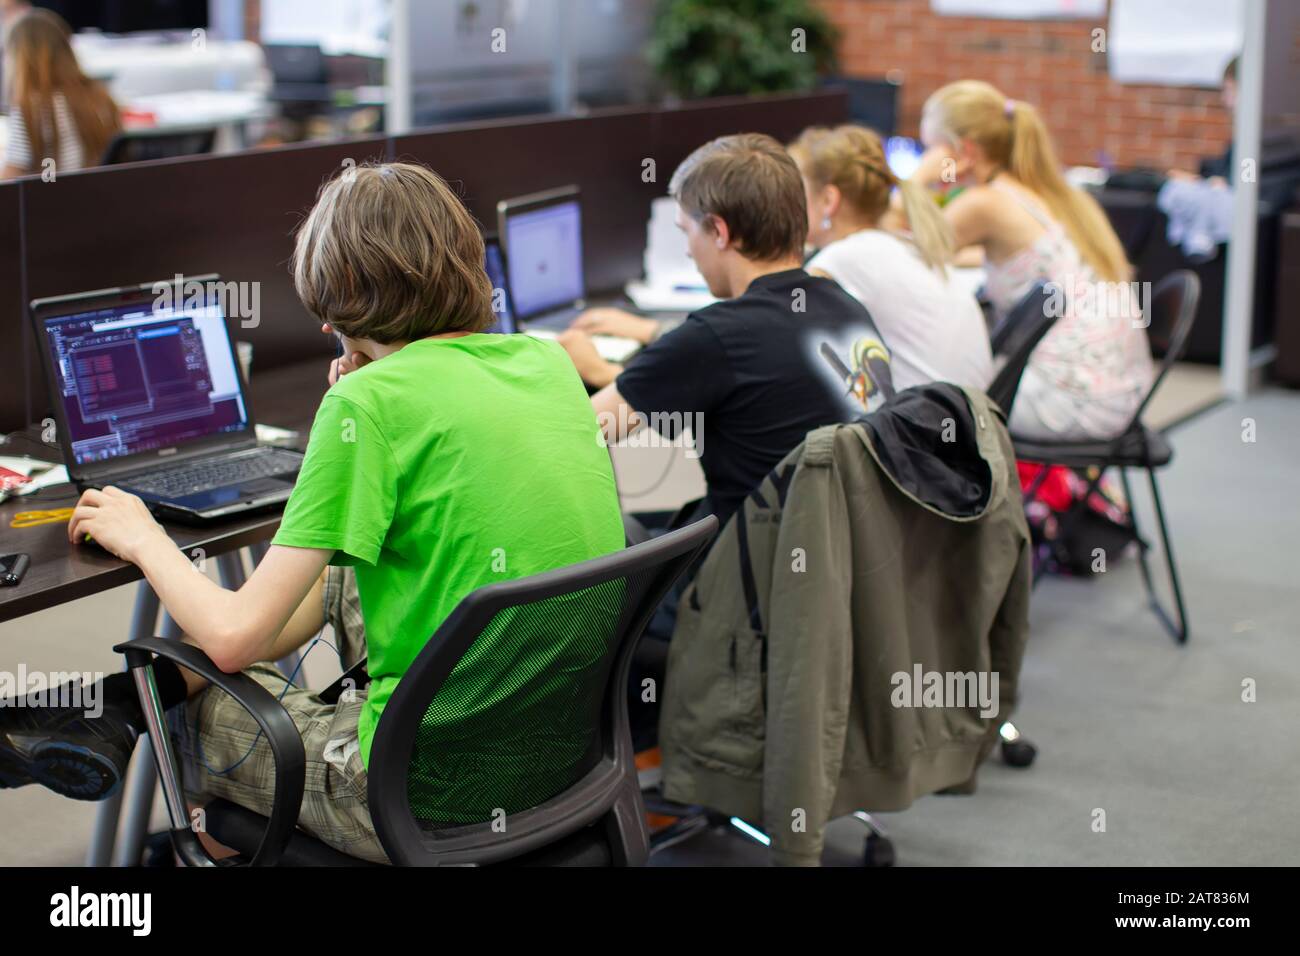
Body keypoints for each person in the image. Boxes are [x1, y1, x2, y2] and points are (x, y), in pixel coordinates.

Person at [0, 161, 625, 862]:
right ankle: (105, 714)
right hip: (563, 759)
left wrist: (146, 539)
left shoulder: (365, 405)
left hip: (416, 798)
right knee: (342, 572)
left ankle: (121, 717)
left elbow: (236, 642)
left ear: (346, 301)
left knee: (190, 697)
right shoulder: (543, 363)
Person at [558, 132, 888, 533]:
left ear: (718, 231)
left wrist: (592, 369)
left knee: (618, 534)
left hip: (746, 577)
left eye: (687, 231)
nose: (687, 250)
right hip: (840, 559)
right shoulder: (847, 307)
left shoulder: (716, 337)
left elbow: (576, 434)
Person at [911, 80, 1152, 442]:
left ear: (965, 150)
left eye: (932, 150)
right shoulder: (1051, 193)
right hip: (1120, 391)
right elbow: (1011, 255)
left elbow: (909, 254)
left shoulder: (985, 203)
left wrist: (916, 180)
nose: (928, 159)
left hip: (1071, 402)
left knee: (921, 390)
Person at [788, 123, 993, 391]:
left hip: (927, 422)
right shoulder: (899, 244)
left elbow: (786, 335)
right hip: (971, 417)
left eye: (799, 192)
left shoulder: (842, 258)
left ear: (828, 200)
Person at [1, 8, 119, 180]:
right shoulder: (97, 94)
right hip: (87, 195)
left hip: (47, 200)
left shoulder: (30, 108)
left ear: (20, 59)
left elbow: (9, 179)